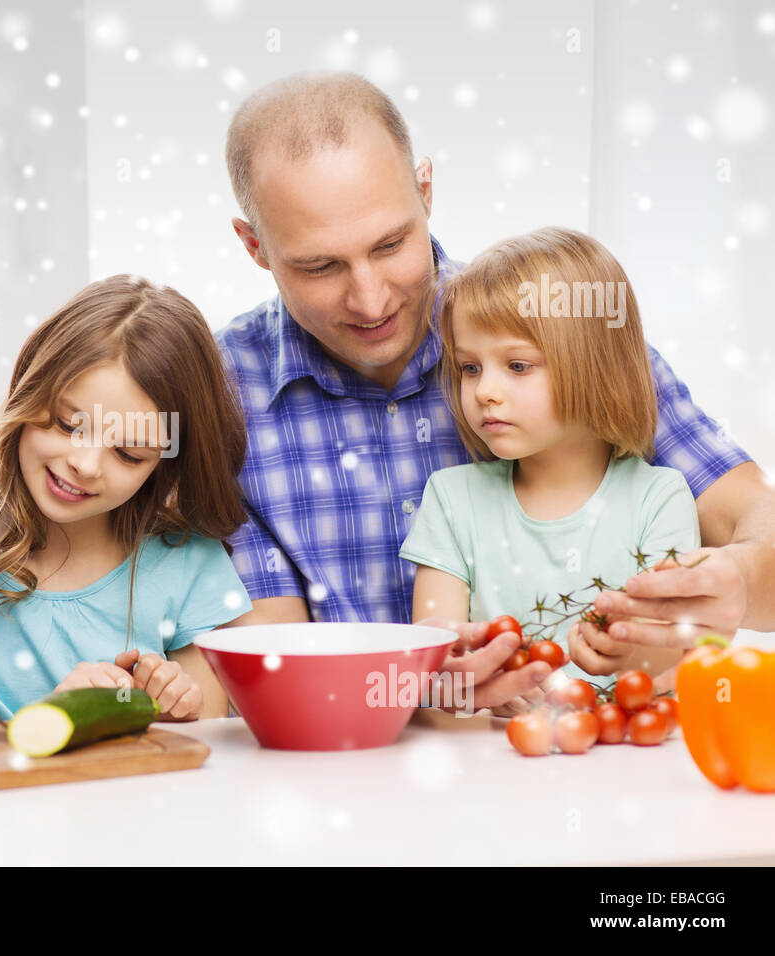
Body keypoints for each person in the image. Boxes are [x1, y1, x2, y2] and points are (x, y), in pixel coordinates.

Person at [216, 71, 773, 712]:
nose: (370, 299)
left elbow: (754, 518)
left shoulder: (557, 326)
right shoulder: (221, 395)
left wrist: (738, 582)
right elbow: (272, 666)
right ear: (255, 245)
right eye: (320, 266)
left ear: (425, 191)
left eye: (392, 244)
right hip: (352, 772)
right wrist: (414, 682)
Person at [0, 275, 252, 720]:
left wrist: (172, 707)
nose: (86, 463)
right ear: (27, 391)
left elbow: (202, 748)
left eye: (127, 453)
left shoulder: (189, 564)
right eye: (68, 425)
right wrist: (57, 717)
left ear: (164, 463)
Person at [399, 227, 700, 708]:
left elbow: (672, 659)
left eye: (517, 366)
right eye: (471, 367)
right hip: (490, 756)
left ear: (594, 367)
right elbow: (435, 658)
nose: (483, 391)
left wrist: (625, 646)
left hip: (622, 761)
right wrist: (459, 677)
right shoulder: (451, 498)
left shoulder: (659, 498)